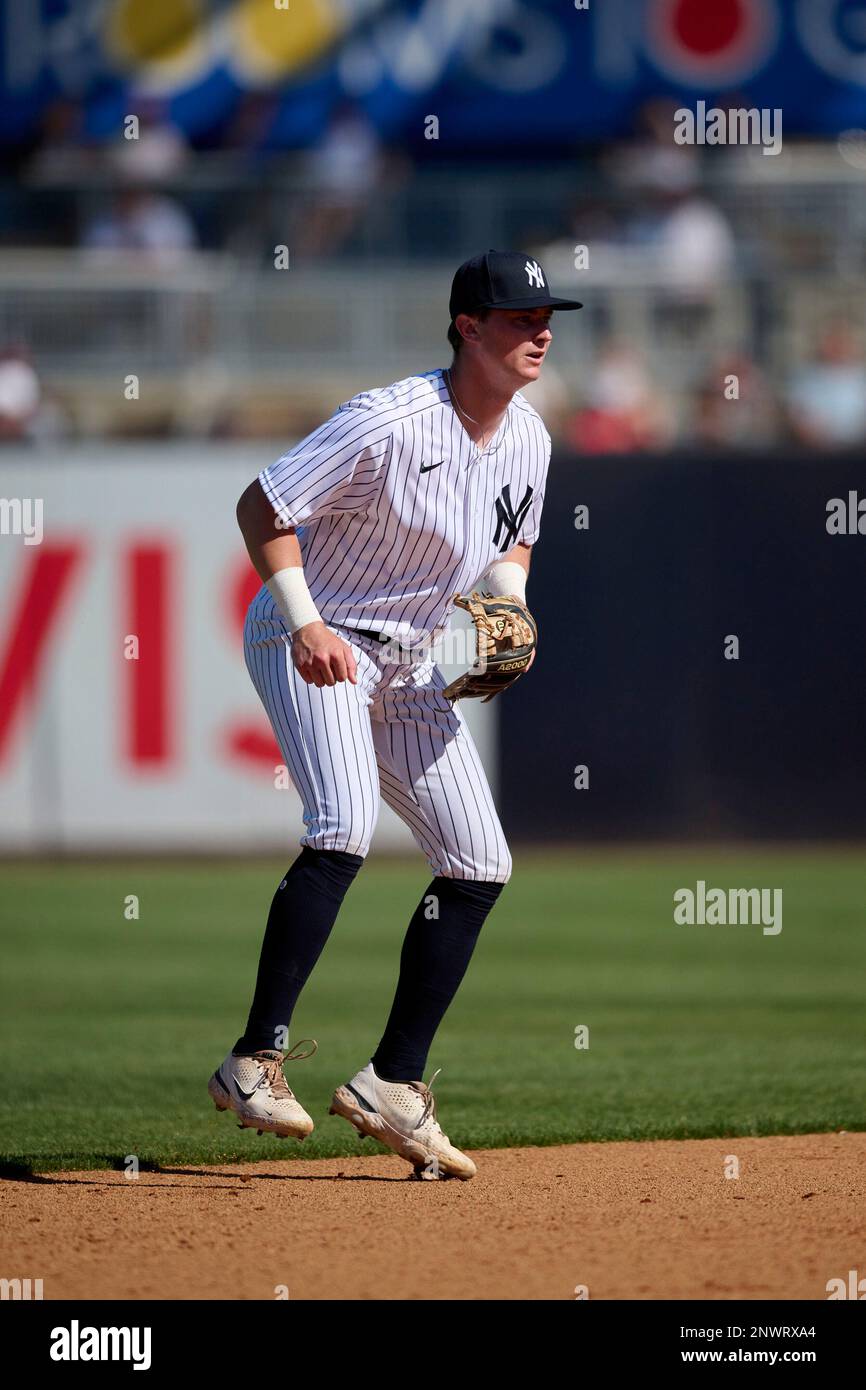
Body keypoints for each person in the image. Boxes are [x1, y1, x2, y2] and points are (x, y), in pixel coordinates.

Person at [208, 250, 581, 1179]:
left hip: (416, 656)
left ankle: (394, 1084)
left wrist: (510, 608)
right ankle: (252, 1061)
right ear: (466, 328)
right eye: (517, 317)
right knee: (340, 825)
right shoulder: (389, 418)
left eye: (547, 316)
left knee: (480, 861)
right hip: (320, 631)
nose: (539, 331)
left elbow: (510, 547)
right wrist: (303, 621)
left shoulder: (529, 435)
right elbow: (264, 505)